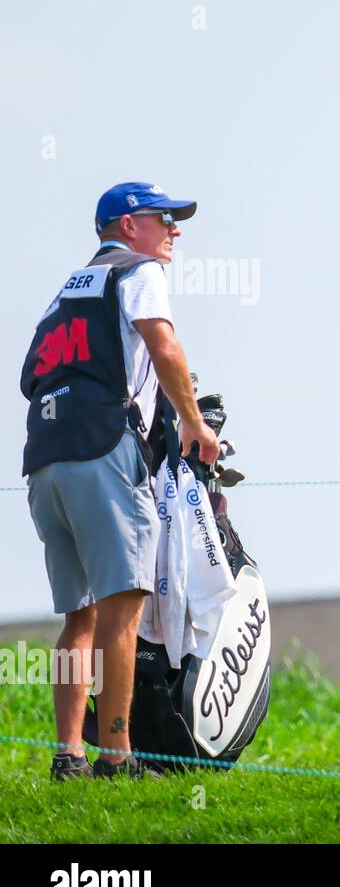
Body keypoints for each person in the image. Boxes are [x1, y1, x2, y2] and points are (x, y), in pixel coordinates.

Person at [21, 182, 220, 780]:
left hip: (45, 460)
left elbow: (29, 377)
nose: (174, 232)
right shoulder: (137, 269)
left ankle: (67, 755)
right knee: (122, 609)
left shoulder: (64, 292)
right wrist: (192, 424)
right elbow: (164, 345)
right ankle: (117, 755)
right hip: (102, 453)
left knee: (77, 617)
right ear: (128, 225)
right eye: (165, 219)